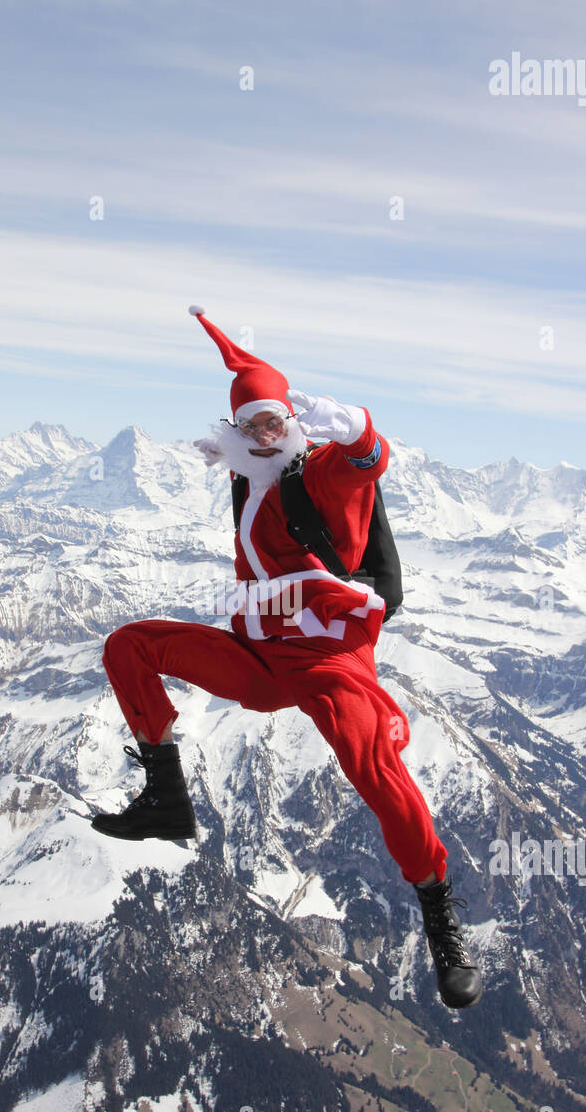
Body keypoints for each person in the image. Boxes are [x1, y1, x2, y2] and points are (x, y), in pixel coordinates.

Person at [92, 306, 482, 1009]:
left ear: (293, 421)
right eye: (251, 427)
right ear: (236, 429)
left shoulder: (314, 473)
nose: (265, 437)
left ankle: (439, 913)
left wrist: (359, 430)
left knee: (375, 769)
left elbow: (364, 464)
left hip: (330, 663)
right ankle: (165, 796)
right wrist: (239, 453)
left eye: (275, 422)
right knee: (128, 648)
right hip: (260, 657)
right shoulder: (246, 474)